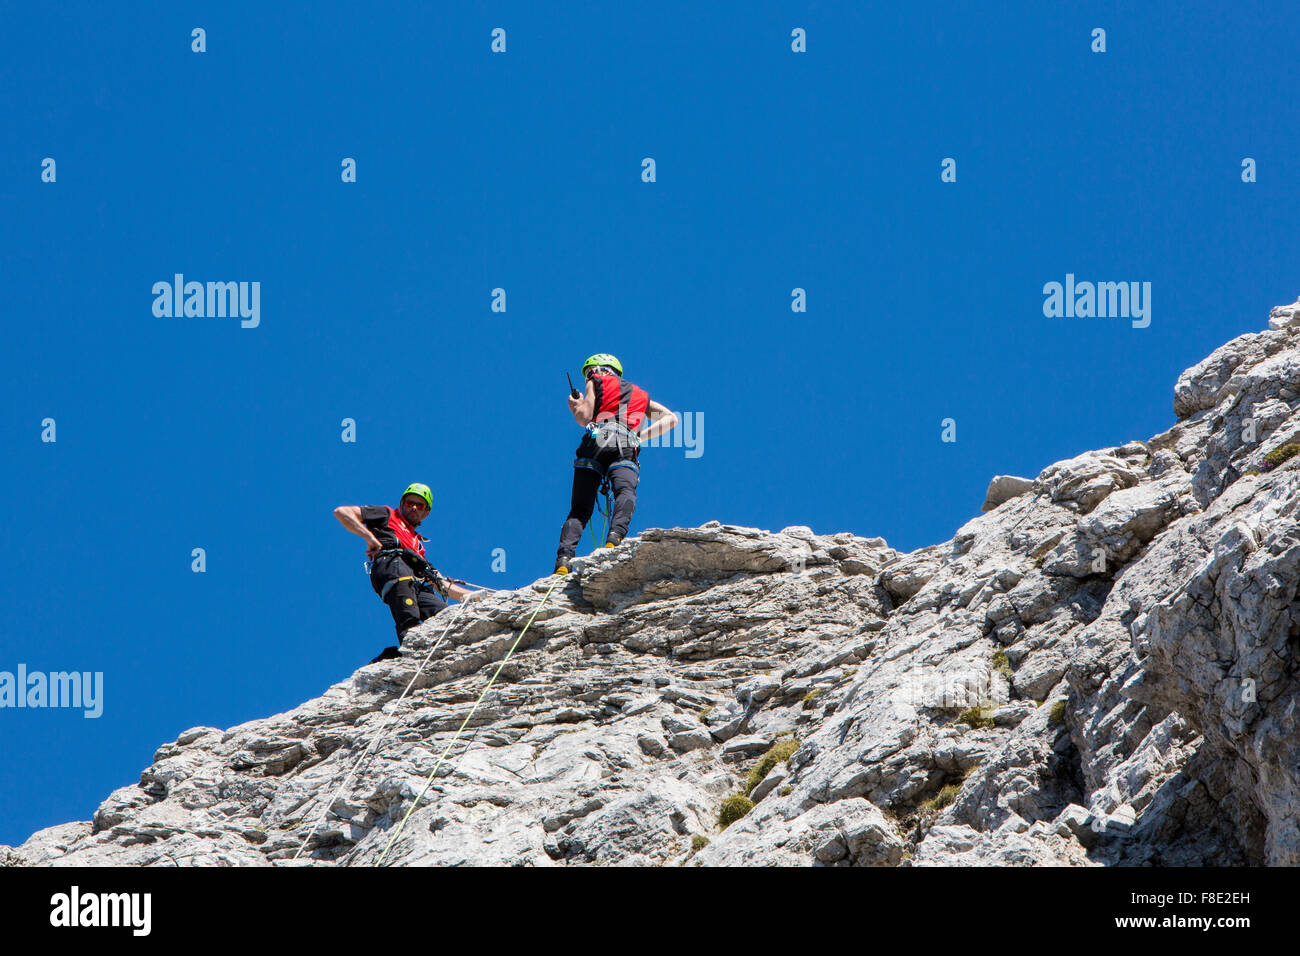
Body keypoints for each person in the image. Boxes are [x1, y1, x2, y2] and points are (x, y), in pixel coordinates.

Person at [554, 354, 678, 575]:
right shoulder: (640, 395)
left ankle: (563, 560)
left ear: (597, 370)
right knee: (624, 492)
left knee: (580, 510)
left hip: (595, 443)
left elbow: (584, 417)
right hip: (625, 445)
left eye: (588, 374)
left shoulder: (596, 381)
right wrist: (639, 437)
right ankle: (615, 539)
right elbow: (671, 419)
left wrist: (576, 405)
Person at [334, 483, 485, 663]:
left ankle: (414, 652)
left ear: (426, 512)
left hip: (417, 581)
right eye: (409, 503)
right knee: (410, 620)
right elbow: (342, 512)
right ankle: (410, 647)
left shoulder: (417, 545)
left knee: (446, 617)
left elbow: (441, 584)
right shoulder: (387, 514)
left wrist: (480, 598)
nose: (413, 507)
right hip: (392, 566)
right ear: (401, 504)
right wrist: (369, 538)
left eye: (419, 505)